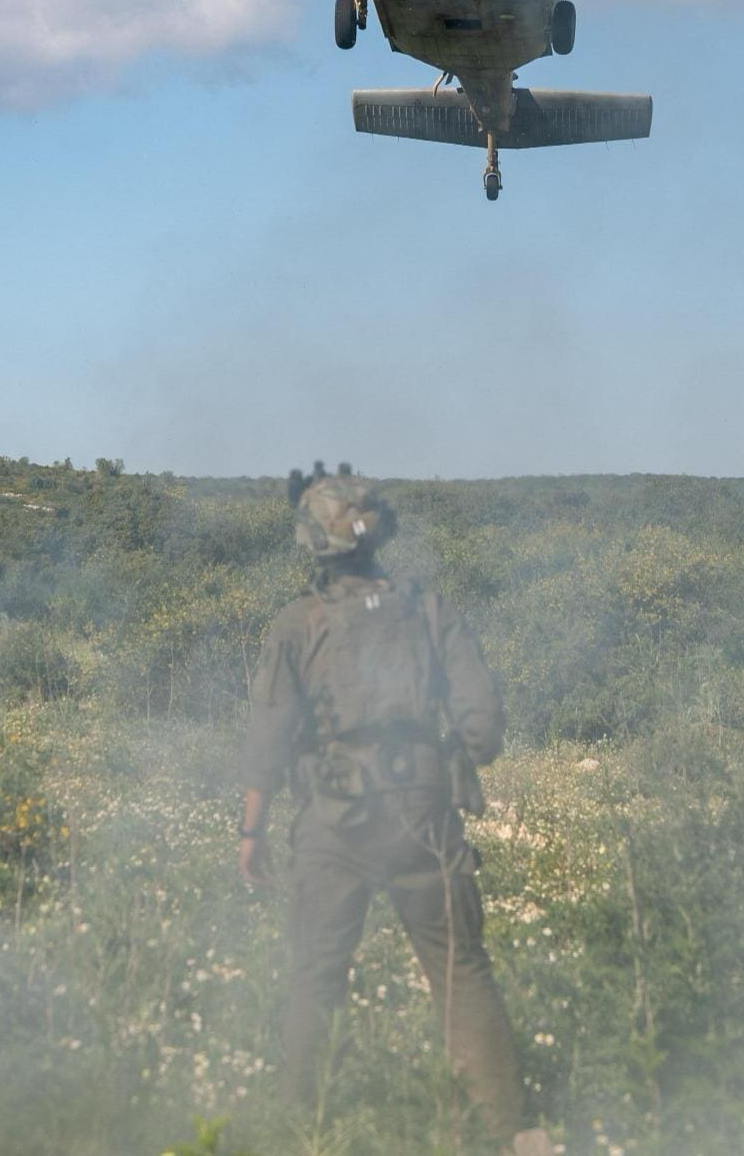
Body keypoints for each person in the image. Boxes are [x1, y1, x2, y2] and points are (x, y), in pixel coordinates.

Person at [238, 472, 555, 1156]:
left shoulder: (297, 625)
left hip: (331, 813)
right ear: (380, 532)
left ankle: (302, 1131)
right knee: (461, 972)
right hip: (423, 813)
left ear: (312, 545)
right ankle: (504, 1132)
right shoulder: (429, 608)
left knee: (315, 976)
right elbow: (484, 726)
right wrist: (448, 762)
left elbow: (266, 738)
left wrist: (251, 831)